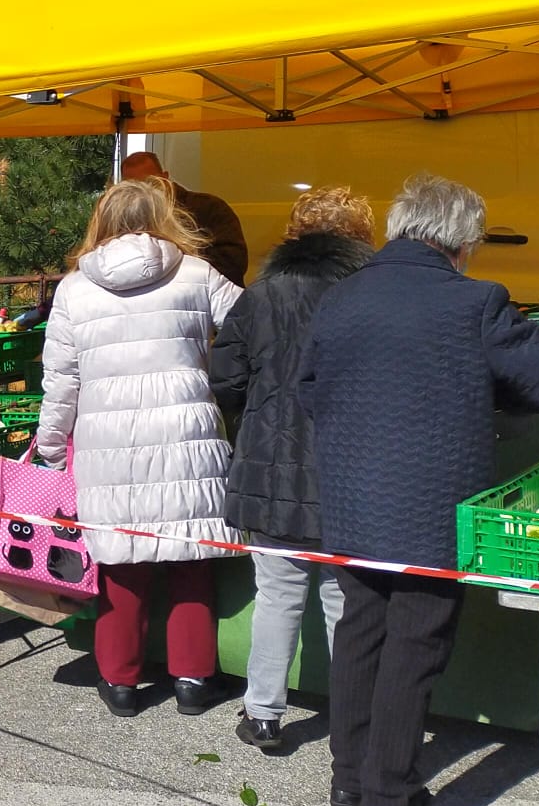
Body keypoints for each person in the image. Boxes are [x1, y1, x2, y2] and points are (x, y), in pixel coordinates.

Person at [302, 173, 539, 806]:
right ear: (462, 242)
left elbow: (308, 389)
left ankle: (352, 779)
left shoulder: (342, 297)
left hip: (350, 498)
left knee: (361, 632)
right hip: (428, 505)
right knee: (416, 644)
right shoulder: (475, 302)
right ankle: (389, 804)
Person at [34, 178, 242, 718]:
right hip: (186, 430)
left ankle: (120, 682)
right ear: (164, 217)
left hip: (108, 443)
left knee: (120, 562)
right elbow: (252, 330)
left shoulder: (74, 290)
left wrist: (53, 453)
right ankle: (194, 682)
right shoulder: (197, 275)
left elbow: (61, 385)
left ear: (99, 222)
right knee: (191, 556)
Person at [210, 186, 376, 754]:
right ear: (360, 238)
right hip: (350, 474)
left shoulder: (261, 296)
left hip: (271, 468)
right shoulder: (373, 294)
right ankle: (357, 721)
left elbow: (224, 379)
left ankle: (262, 714)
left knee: (276, 594)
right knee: (344, 600)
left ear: (294, 235)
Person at [120, 151, 249, 287]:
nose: (144, 191)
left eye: (150, 182)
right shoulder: (126, 219)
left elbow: (233, 263)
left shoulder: (210, 208)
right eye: (133, 187)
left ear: (165, 177)